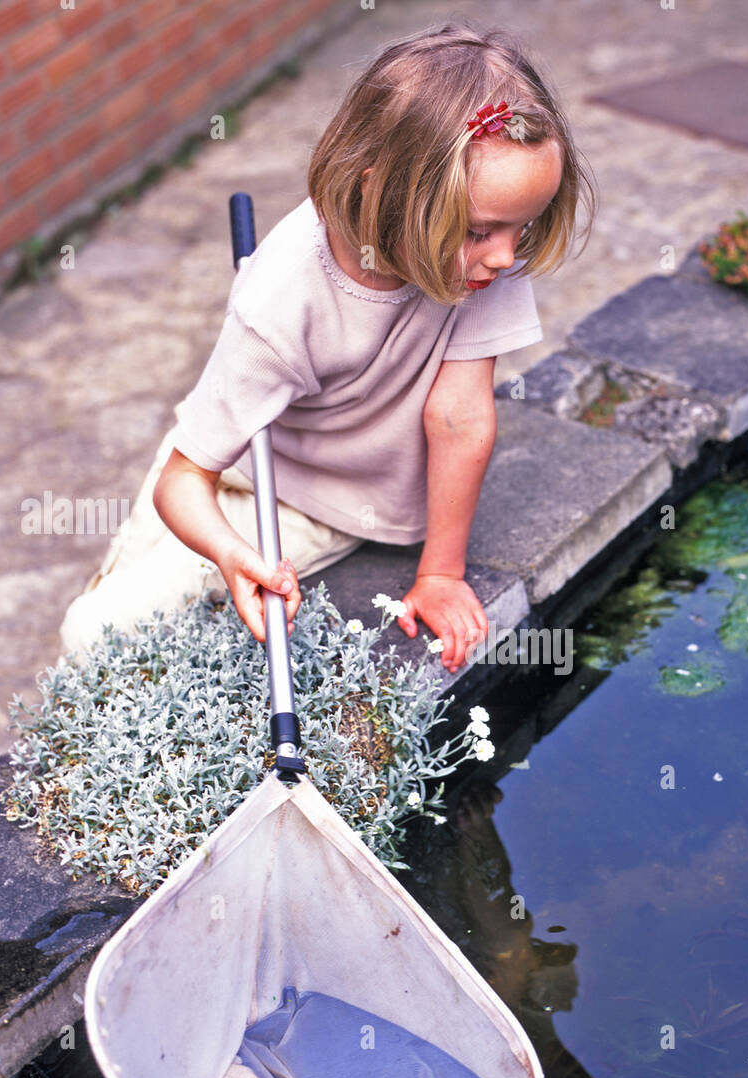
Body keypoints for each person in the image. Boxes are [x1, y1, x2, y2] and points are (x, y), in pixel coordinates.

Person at [59, 19, 596, 674]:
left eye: (521, 227)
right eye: (481, 230)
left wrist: (441, 573)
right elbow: (183, 478)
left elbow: (457, 416)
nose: (507, 256)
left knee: (96, 631)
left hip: (317, 501)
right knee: (93, 631)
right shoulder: (281, 301)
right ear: (378, 187)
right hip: (227, 466)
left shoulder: (477, 257)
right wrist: (232, 555)